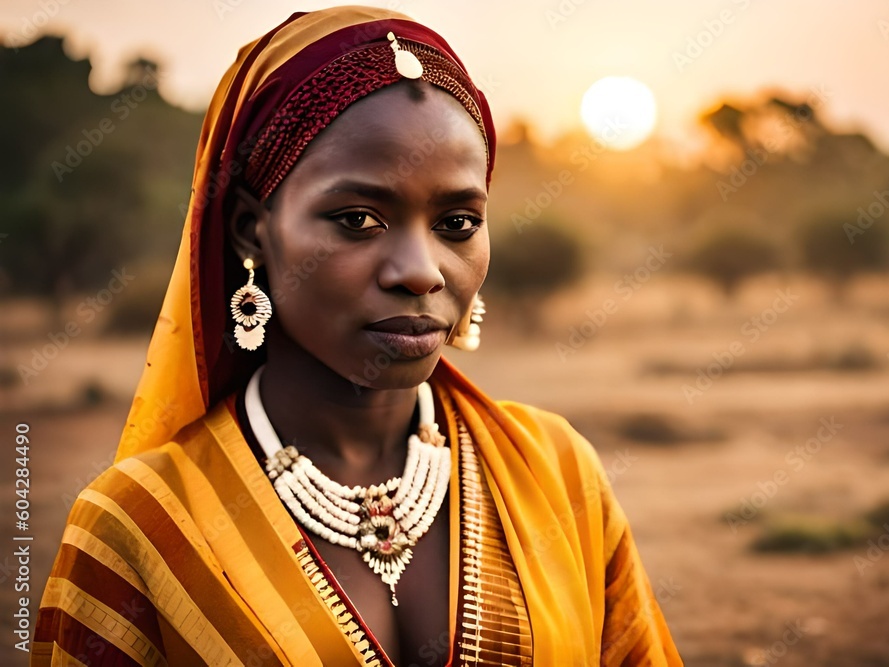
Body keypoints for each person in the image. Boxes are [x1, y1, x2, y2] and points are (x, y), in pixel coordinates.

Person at [31, 6, 683, 666]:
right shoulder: (139, 525)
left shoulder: (558, 472)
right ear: (251, 229)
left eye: (457, 222)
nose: (420, 271)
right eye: (358, 218)